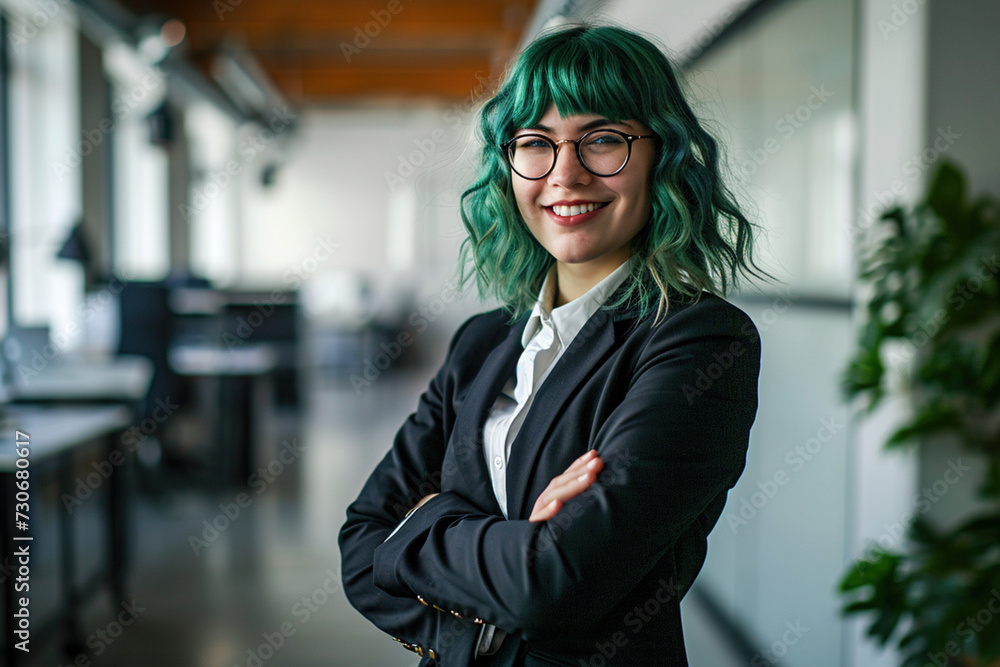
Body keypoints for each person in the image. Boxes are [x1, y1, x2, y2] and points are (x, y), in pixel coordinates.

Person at [339, 24, 766, 667]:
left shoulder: (700, 343)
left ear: (662, 155)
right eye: (537, 144)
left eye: (602, 140)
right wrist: (502, 567)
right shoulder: (481, 343)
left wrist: (425, 523)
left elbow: (556, 582)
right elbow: (359, 547)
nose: (565, 174)